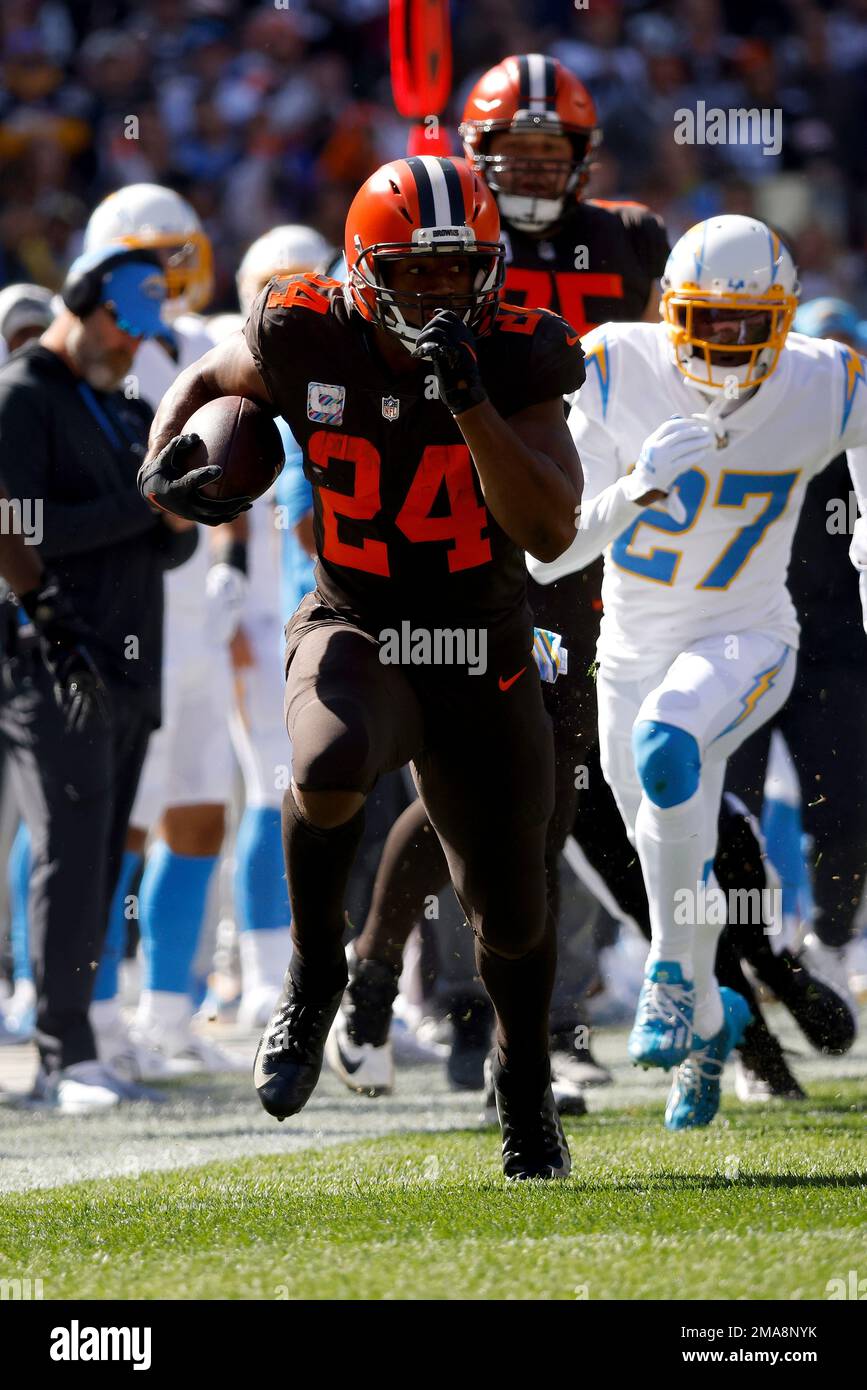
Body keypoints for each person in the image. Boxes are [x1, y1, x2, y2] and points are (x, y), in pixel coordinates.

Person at [139, 153, 585, 1181]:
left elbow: (550, 528)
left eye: (458, 268)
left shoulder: (518, 354)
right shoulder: (306, 325)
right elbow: (211, 380)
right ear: (360, 266)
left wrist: (468, 404)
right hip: (360, 619)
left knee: (513, 912)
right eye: (415, 270)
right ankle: (311, 974)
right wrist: (162, 454)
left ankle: (524, 1086)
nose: (438, 291)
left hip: (481, 644)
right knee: (329, 760)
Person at [331, 53, 671, 1103]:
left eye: (546, 151)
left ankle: (500, 1008)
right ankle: (433, 991)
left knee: (543, 766)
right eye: (508, 152)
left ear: (581, 157)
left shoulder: (628, 239)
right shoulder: (446, 226)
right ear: (472, 156)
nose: (527, 171)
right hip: (460, 524)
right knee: (483, 766)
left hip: (579, 520)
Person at [529, 214, 867, 1129]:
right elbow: (549, 560)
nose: (721, 345)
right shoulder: (613, 363)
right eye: (703, 322)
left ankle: (673, 975)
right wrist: (636, 482)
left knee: (667, 747)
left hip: (749, 636)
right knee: (662, 836)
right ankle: (714, 1020)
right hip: (631, 649)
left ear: (782, 318)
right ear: (670, 312)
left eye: (744, 325)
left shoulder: (824, 381)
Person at [0, 244, 197, 1112]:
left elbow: (169, 537)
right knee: (71, 852)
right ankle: (60, 1051)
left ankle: (79, 1042)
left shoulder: (124, 405)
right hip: (54, 656)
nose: (132, 348)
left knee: (100, 858)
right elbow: (19, 529)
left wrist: (186, 504)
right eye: (124, 326)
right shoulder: (22, 395)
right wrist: (144, 507)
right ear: (82, 304)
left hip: (129, 657)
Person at [81, 184, 245, 1076]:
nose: (168, 279)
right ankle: (87, 1011)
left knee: (198, 815)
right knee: (112, 822)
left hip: (197, 623)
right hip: (125, 617)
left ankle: (169, 1015)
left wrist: (231, 567)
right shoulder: (92, 365)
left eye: (178, 258)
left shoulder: (205, 346)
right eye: (150, 261)